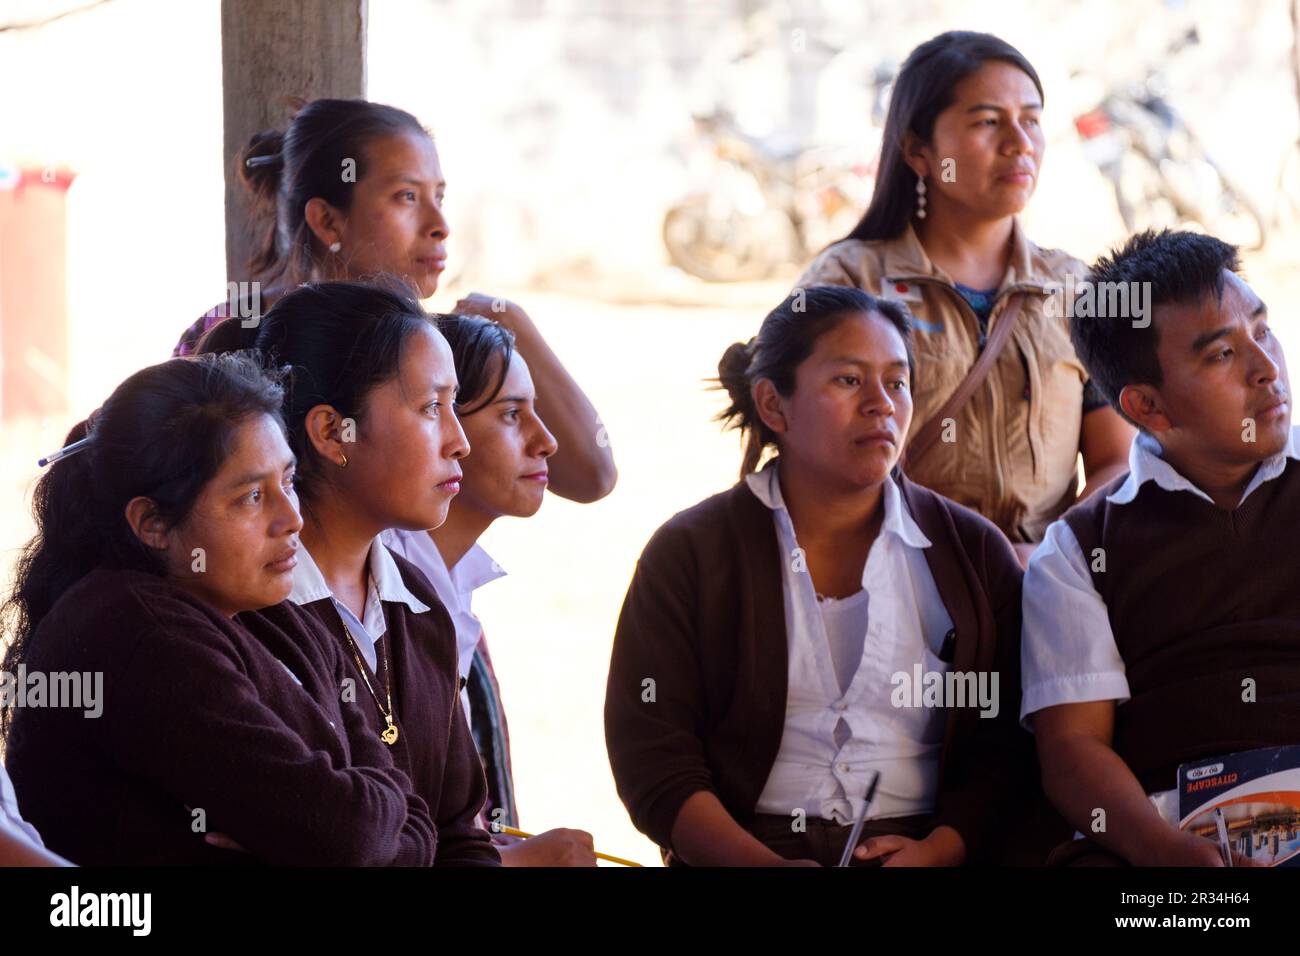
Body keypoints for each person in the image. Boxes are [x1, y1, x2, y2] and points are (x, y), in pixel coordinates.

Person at [605, 286, 1033, 867]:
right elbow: (652, 752)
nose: (882, 404)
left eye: (898, 381)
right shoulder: (689, 554)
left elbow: (1009, 745)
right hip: (743, 851)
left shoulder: (974, 554)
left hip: (922, 850)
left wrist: (943, 849)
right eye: (849, 380)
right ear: (774, 405)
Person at [2, 354, 437, 866]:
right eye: (252, 497)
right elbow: (347, 835)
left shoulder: (275, 616)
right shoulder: (135, 632)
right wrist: (357, 824)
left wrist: (353, 828)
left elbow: (409, 821)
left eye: (289, 481)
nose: (292, 518)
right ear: (153, 523)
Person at [176, 96, 615, 504]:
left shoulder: (433, 353)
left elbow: (590, 476)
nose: (440, 224)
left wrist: (515, 325)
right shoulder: (230, 330)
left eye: (439, 196)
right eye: (407, 196)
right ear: (327, 220)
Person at [796, 31, 1132, 563]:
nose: (1019, 142)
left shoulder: (1076, 290)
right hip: (895, 591)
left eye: (1032, 118)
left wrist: (1053, 555)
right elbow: (811, 460)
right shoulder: (848, 283)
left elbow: (1116, 461)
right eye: (987, 122)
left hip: (1043, 596)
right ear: (919, 151)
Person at [202, 280, 502, 866]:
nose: (460, 442)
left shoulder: (418, 605)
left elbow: (462, 836)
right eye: (431, 408)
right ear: (332, 433)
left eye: (455, 406)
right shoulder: (247, 613)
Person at [1023, 229, 1297, 866]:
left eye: (1263, 328)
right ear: (1148, 406)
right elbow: (1073, 752)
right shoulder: (1078, 552)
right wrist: (1168, 855)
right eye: (1222, 355)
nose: (1267, 367)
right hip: (1176, 842)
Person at [384, 313, 597, 866]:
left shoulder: (449, 577)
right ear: (440, 423)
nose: (546, 441)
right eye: (510, 415)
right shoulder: (379, 584)